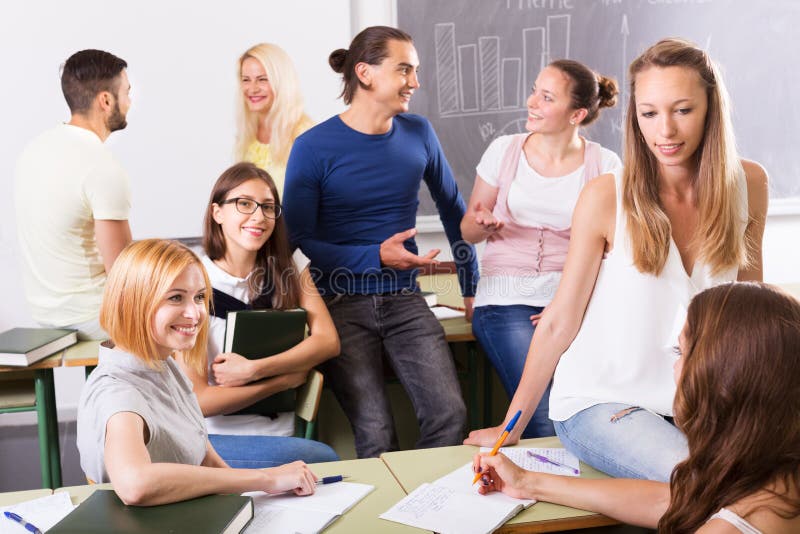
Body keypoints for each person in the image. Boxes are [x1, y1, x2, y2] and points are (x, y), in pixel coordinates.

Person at [465, 38, 768, 482]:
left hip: (698, 403)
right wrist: (510, 426)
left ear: (711, 110)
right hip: (604, 402)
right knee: (700, 481)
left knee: (774, 476)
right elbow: (558, 321)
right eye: (649, 113)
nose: (665, 130)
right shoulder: (607, 195)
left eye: (682, 110)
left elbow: (749, 314)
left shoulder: (750, 184)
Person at [283, 26, 479, 459]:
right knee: (375, 432)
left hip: (405, 300)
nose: (415, 81)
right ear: (365, 73)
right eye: (404, 69)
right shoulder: (313, 147)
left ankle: (429, 510)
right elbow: (299, 237)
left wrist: (470, 286)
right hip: (339, 304)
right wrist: (375, 256)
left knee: (449, 413)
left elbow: (453, 213)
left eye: (416, 70)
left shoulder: (418, 132)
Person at [473, 282, 800, 533]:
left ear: (721, 386)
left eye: (681, 352)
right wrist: (527, 481)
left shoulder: (726, 526)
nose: (674, 369)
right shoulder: (772, 479)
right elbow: (670, 498)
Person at [76, 239, 318, 505]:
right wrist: (266, 479)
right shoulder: (117, 391)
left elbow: (206, 457)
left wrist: (254, 495)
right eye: (176, 297)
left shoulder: (164, 364)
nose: (195, 313)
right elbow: (134, 485)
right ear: (134, 302)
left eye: (200, 297)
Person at [461, 59, 622, 438]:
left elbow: (614, 253)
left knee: (585, 402)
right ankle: (543, 487)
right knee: (544, 411)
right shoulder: (505, 150)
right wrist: (480, 223)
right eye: (535, 90)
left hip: (574, 302)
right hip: (506, 300)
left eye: (546, 97)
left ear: (577, 114)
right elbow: (468, 229)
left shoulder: (605, 165)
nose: (532, 102)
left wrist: (567, 305)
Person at [176, 162, 339, 468]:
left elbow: (328, 341)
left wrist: (255, 369)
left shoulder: (290, 266)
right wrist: (279, 381)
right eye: (244, 204)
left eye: (268, 207)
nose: (259, 216)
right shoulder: (191, 280)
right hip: (213, 439)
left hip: (280, 433)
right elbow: (200, 401)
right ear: (217, 213)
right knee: (326, 460)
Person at [14, 49, 133, 340]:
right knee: (192, 312)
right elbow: (123, 272)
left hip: (43, 315)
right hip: (94, 318)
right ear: (106, 101)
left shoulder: (33, 150)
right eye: (126, 93)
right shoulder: (102, 165)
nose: (130, 102)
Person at [234, 43, 314, 196]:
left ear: (281, 82)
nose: (252, 88)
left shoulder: (305, 136)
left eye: (262, 79)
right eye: (246, 80)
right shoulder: (246, 136)